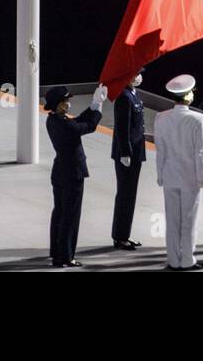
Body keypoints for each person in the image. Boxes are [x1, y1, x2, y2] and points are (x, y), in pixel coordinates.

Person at [44, 83, 106, 267]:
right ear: (58, 104)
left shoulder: (54, 120)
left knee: (60, 212)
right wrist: (98, 107)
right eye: (65, 101)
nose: (68, 104)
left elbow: (77, 121)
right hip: (73, 173)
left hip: (60, 172)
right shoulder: (65, 124)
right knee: (70, 216)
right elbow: (88, 126)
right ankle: (65, 256)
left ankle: (56, 250)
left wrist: (92, 106)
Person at [155, 74, 203, 270]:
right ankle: (187, 260)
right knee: (189, 220)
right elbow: (201, 151)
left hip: (170, 174)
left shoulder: (161, 117)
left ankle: (173, 259)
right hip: (190, 177)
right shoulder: (198, 119)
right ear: (187, 96)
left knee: (172, 220)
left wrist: (160, 174)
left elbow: (160, 149)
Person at [110, 69, 146, 251]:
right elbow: (122, 128)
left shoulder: (133, 93)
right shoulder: (124, 96)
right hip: (128, 154)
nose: (138, 77)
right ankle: (119, 236)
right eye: (135, 74)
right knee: (125, 195)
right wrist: (125, 153)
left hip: (135, 152)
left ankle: (124, 234)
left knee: (130, 195)